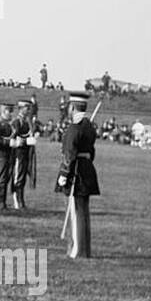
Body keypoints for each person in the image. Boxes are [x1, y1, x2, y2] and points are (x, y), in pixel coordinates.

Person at [57, 92, 100, 257]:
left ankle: (76, 250)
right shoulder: (88, 126)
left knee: (76, 212)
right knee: (82, 211)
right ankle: (84, 249)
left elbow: (69, 153)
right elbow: (92, 151)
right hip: (86, 169)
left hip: (76, 172)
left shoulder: (75, 127)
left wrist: (64, 173)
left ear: (73, 107)